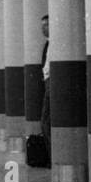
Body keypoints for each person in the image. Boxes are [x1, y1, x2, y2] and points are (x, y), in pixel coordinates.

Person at [39, 14, 50, 146]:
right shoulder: (47, 44)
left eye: (46, 25)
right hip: (47, 83)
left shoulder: (53, 44)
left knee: (45, 122)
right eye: (42, 26)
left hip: (51, 84)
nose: (43, 28)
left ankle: (52, 156)